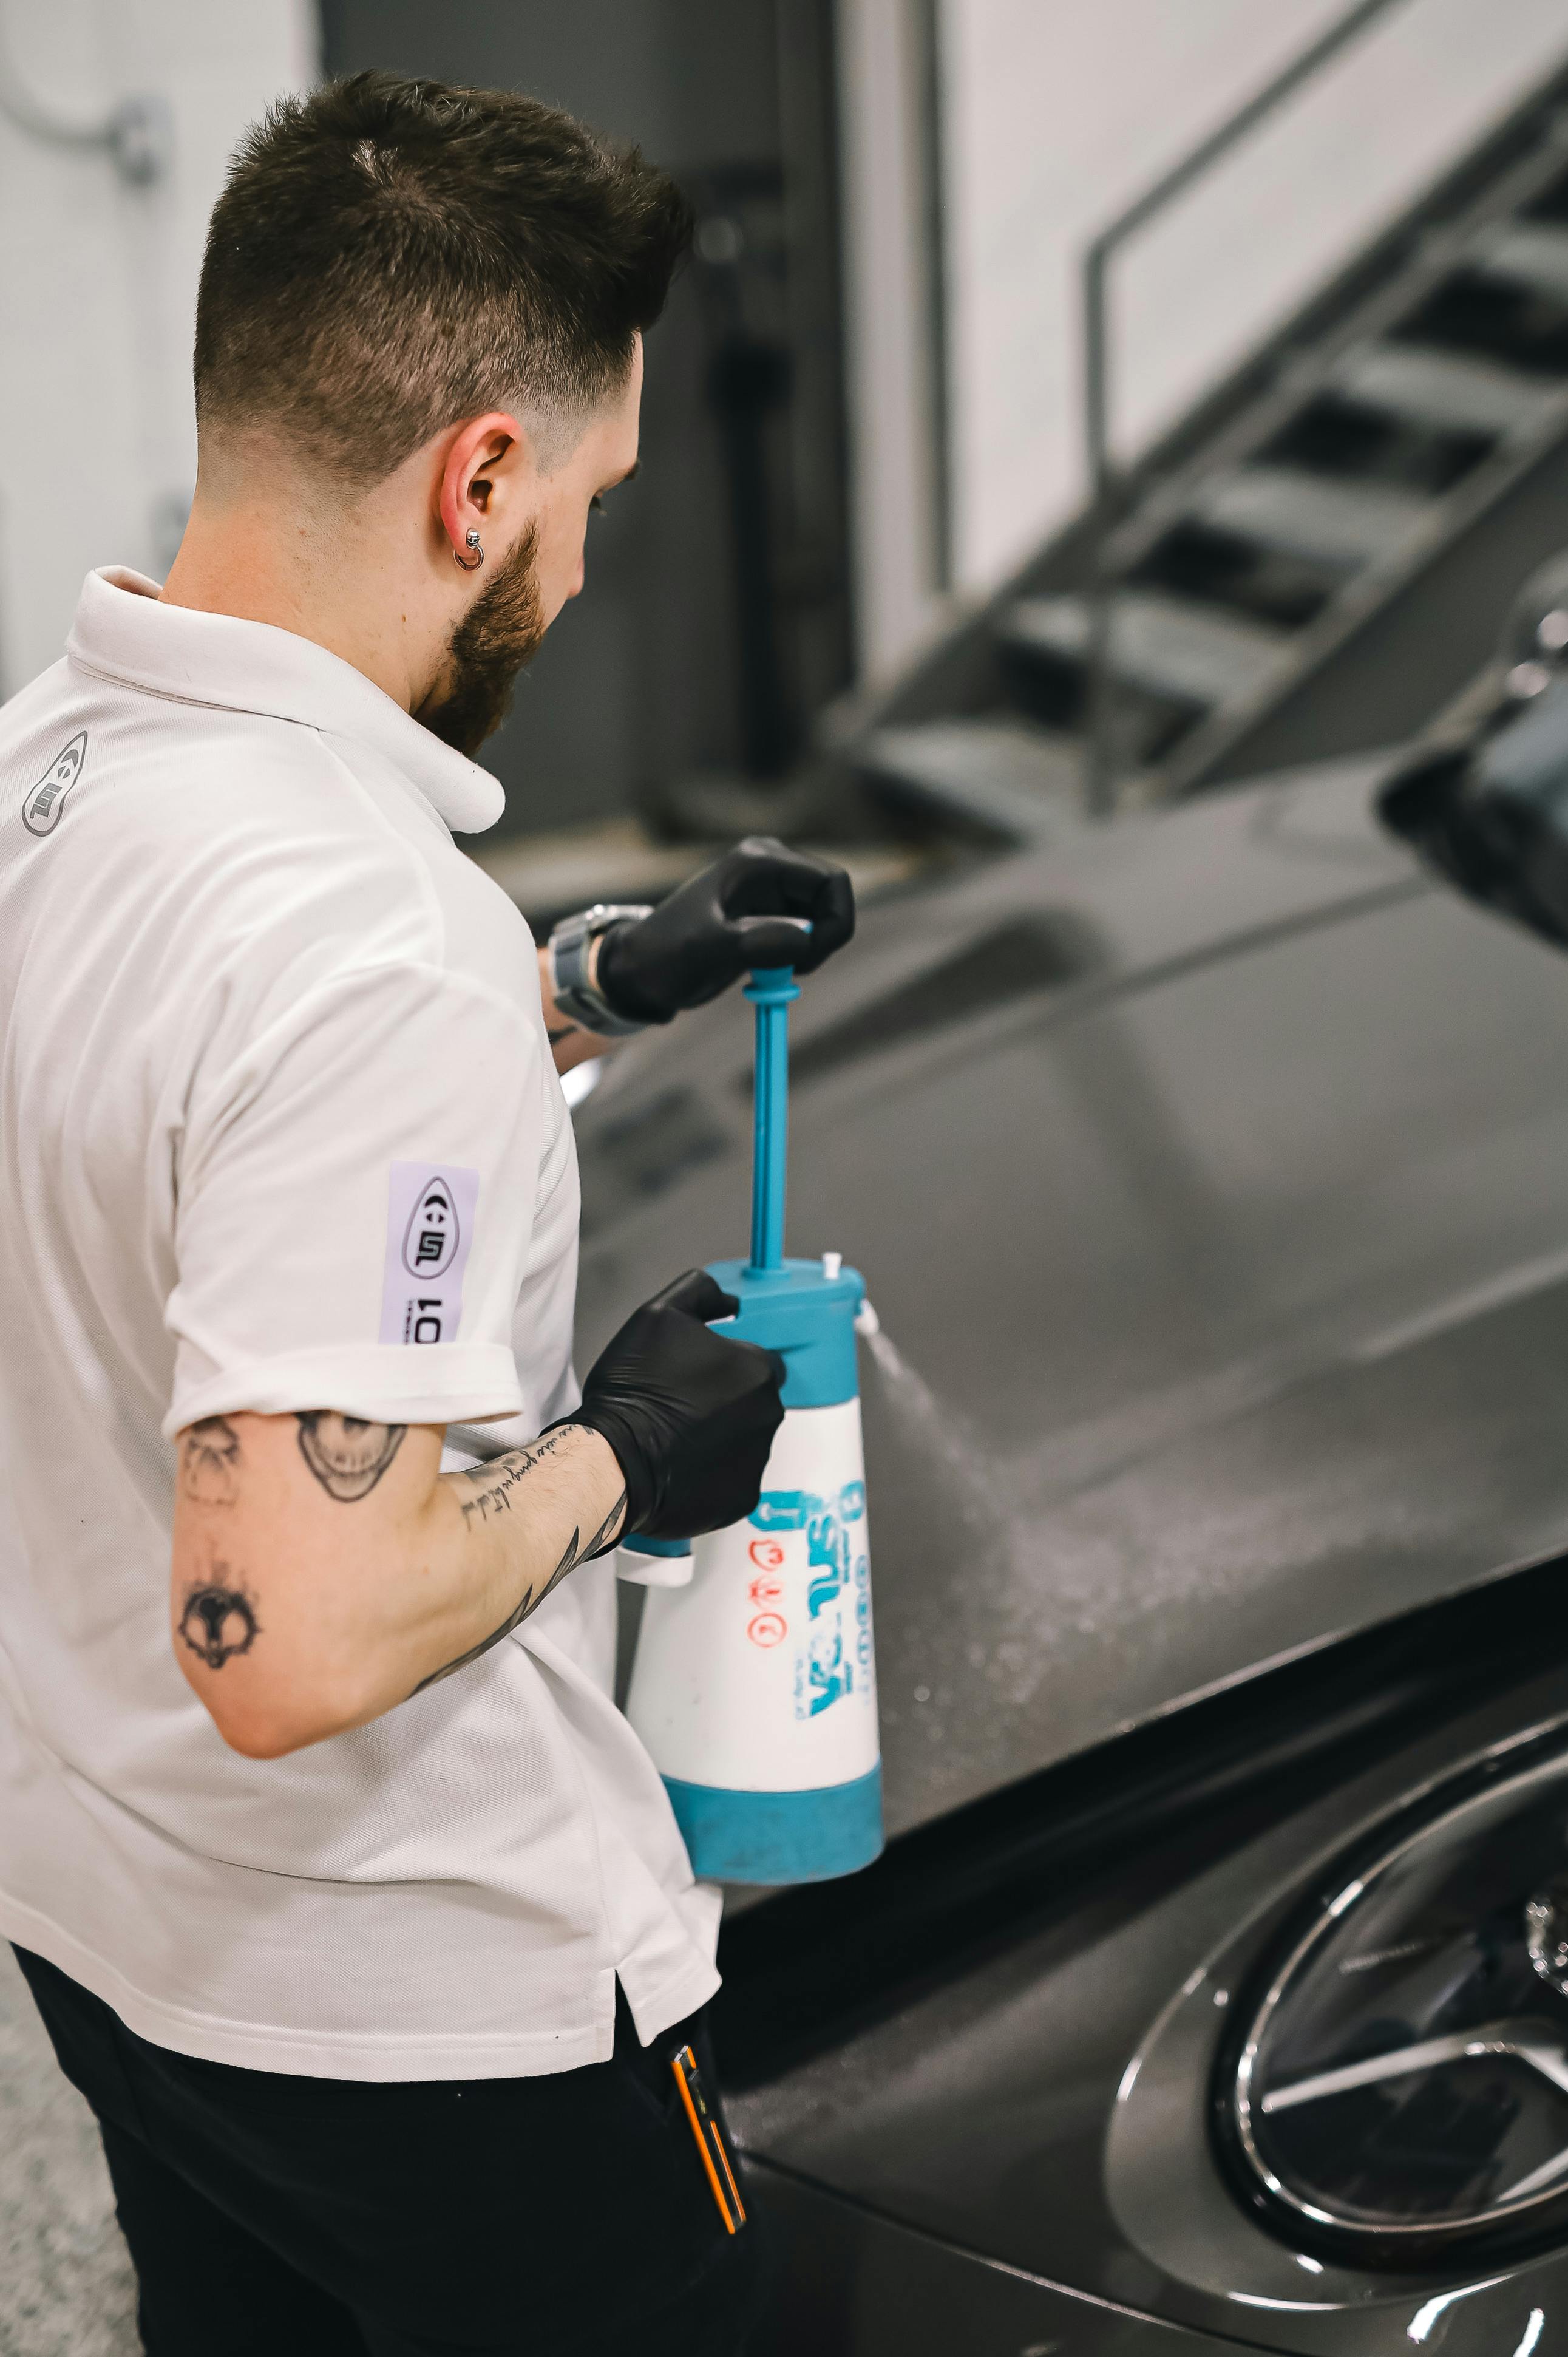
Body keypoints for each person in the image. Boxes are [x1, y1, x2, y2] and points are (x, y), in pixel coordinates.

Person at [0, 71, 855, 2357]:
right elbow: (282, 1632)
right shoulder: (373, 939)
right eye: (584, 502)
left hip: (110, 1931)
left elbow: (179, 1109)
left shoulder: (49, 765)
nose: (571, 567)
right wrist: (625, 1458)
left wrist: (589, 981)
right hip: (442, 2019)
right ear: (478, 480)